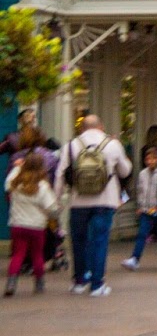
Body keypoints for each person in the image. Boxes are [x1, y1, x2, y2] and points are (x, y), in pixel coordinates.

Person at [57, 115, 132, 296]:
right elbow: (125, 171)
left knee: (79, 241)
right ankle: (97, 285)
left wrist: (57, 200)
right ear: (101, 126)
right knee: (99, 240)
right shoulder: (112, 144)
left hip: (78, 201)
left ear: (82, 128)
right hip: (105, 201)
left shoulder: (71, 145)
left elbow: (60, 174)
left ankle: (79, 281)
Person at [5, 152, 59, 296]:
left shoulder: (16, 183)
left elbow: (7, 183)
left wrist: (17, 167)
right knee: (37, 254)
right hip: (36, 227)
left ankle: (11, 283)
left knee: (18, 254)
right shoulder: (42, 186)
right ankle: (39, 283)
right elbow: (51, 207)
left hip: (18, 225)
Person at [122, 146, 157, 271]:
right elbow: (140, 191)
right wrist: (140, 206)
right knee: (142, 234)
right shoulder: (142, 174)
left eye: (153, 159)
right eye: (147, 159)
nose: (150, 162)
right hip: (146, 209)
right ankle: (135, 258)